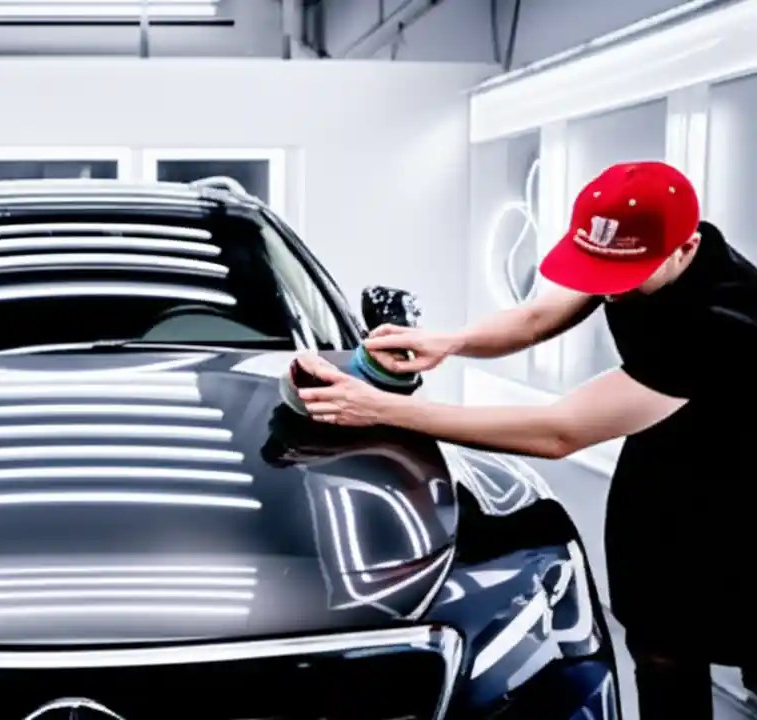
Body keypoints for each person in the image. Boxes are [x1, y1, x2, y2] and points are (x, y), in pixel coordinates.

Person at [292, 161, 757, 719]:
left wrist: (385, 410)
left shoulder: (722, 320)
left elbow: (558, 432)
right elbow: (537, 318)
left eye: (622, 275)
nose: (606, 287)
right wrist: (449, 341)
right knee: (659, 650)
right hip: (663, 465)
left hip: (742, 486)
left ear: (684, 248)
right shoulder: (636, 253)